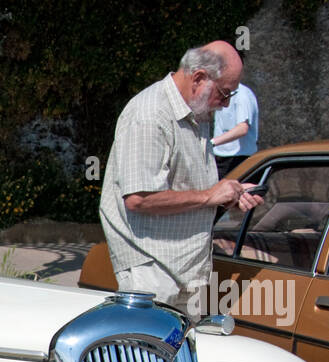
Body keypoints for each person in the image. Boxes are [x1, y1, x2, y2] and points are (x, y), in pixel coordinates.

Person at [100, 41, 264, 314]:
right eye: (224, 93)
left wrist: (227, 195)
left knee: (181, 355)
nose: (225, 104)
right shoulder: (150, 115)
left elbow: (189, 190)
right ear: (199, 78)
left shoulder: (197, 113)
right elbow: (139, 199)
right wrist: (211, 196)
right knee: (149, 354)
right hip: (153, 271)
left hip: (188, 268)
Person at [213, 63, 259, 178]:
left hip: (238, 158)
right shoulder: (223, 93)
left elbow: (242, 128)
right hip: (221, 156)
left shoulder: (242, 95)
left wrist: (212, 142)